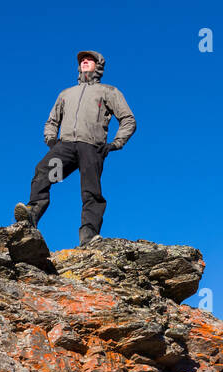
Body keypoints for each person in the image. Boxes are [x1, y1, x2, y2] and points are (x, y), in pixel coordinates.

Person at [14, 50, 136, 246]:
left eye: (90, 60)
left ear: (99, 66)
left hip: (92, 148)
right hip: (66, 148)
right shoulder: (66, 94)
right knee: (44, 171)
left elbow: (128, 119)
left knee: (91, 191)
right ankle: (32, 213)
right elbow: (51, 121)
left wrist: (115, 143)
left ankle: (89, 236)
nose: (85, 62)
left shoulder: (108, 91)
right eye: (82, 60)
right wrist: (52, 141)